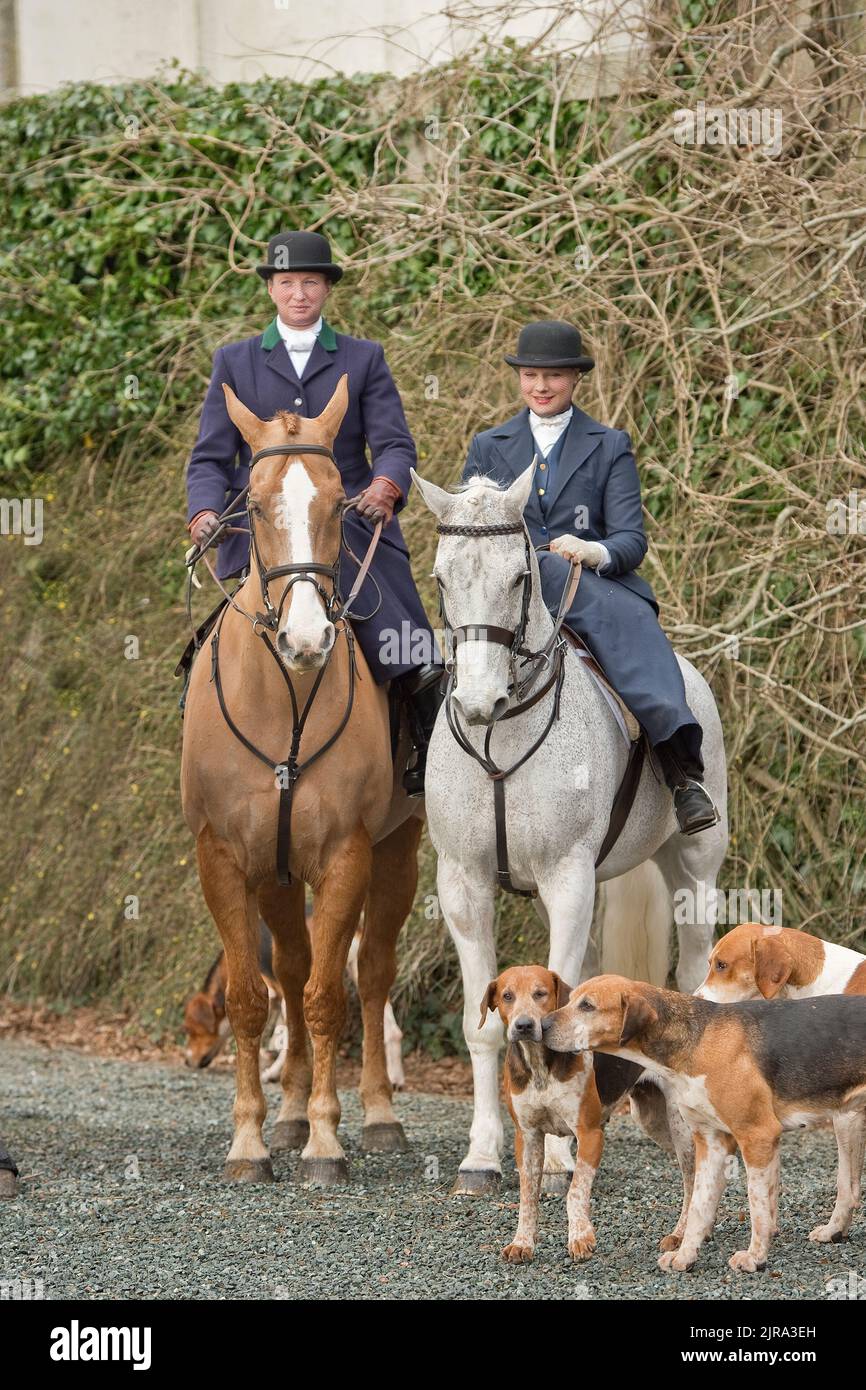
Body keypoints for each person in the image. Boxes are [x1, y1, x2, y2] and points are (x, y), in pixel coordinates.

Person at [184, 229, 444, 794]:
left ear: (325, 289)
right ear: (271, 290)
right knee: (201, 655)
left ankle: (430, 752)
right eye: (286, 283)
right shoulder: (234, 361)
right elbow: (209, 456)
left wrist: (383, 486)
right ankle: (206, 754)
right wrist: (204, 510)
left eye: (309, 282)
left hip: (347, 524)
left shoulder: (363, 357)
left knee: (413, 645)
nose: (298, 293)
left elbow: (395, 445)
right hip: (265, 531)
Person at [462, 320, 719, 835]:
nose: (540, 387)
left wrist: (592, 549)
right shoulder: (489, 444)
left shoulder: (608, 445)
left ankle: (680, 771)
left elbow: (631, 539)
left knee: (634, 633)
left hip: (590, 584)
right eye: (530, 375)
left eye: (553, 377)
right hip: (512, 587)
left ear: (575, 380)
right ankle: (429, 762)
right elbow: (472, 532)